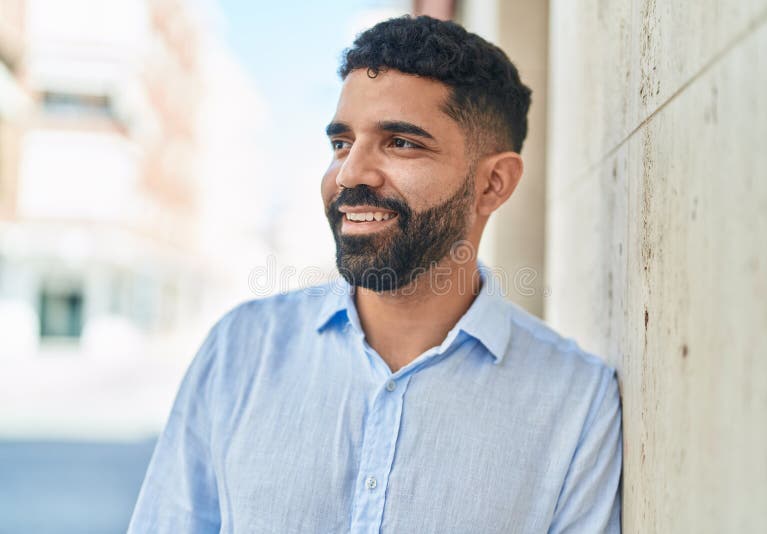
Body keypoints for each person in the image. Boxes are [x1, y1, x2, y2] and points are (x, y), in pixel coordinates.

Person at [128, 15, 621, 534]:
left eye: (401, 143)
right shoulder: (240, 350)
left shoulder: (577, 404)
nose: (349, 174)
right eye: (342, 143)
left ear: (493, 184)